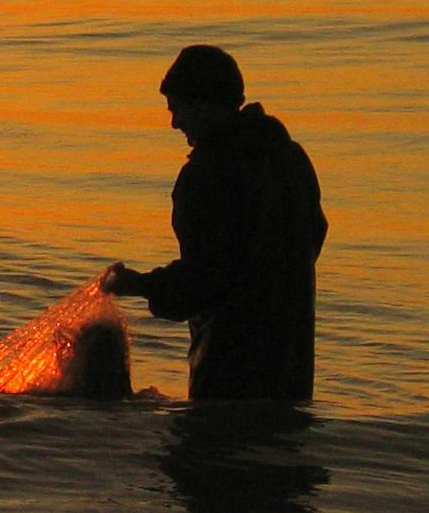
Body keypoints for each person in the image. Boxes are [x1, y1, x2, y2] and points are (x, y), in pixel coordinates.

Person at [105, 46, 327, 402]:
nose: (174, 122)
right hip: (291, 363)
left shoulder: (207, 174)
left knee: (215, 453)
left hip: (231, 368)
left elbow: (205, 279)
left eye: (178, 108)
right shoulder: (290, 159)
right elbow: (312, 237)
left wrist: (140, 285)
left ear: (206, 104)